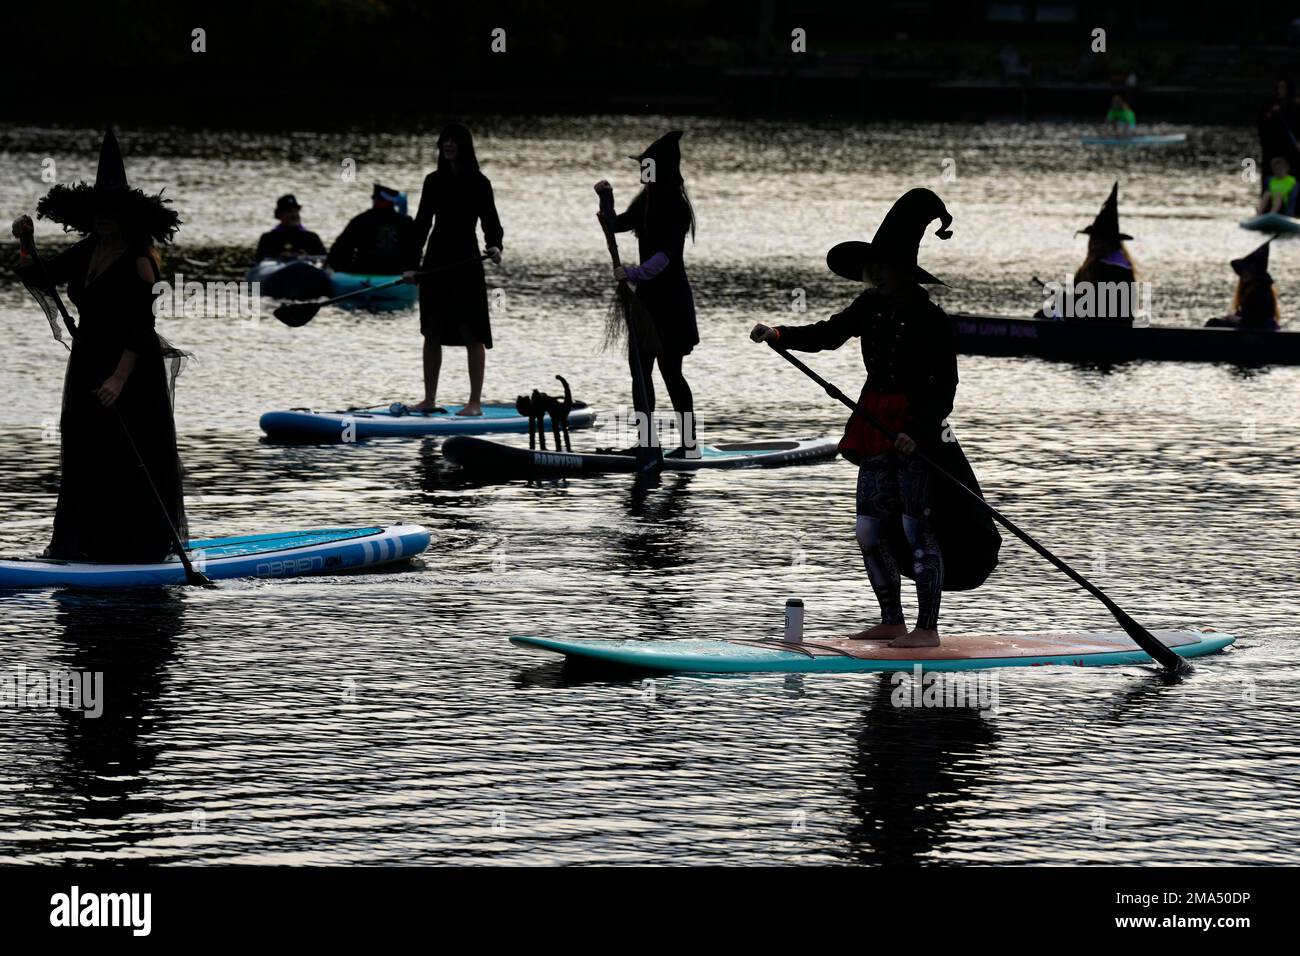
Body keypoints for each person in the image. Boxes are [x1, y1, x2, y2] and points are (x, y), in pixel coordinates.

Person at [749, 189, 1000, 649]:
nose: (874, 276)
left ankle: (927, 630)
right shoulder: (870, 307)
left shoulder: (930, 319)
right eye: (873, 268)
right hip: (873, 422)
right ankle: (892, 620)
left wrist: (916, 432)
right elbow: (827, 334)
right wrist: (779, 333)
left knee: (913, 527)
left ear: (905, 270)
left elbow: (944, 388)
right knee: (869, 526)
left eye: (883, 268)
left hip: (916, 432)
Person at [11, 128, 188, 562]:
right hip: (88, 362)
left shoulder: (140, 262)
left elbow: (141, 328)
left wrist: (118, 379)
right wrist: (24, 243)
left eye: (112, 212)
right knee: (88, 452)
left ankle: (136, 547)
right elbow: (39, 277)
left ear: (127, 217)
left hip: (129, 370)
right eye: (99, 212)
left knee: (129, 456)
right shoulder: (88, 250)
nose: (105, 218)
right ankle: (83, 544)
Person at [594, 130, 699, 457]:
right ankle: (647, 442)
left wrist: (633, 273)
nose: (642, 170)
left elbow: (666, 257)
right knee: (639, 371)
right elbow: (614, 225)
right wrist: (606, 198)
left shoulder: (676, 207)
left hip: (671, 302)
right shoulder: (646, 200)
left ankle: (689, 444)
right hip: (647, 302)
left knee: (671, 373)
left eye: (647, 164)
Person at [406, 124, 503, 416]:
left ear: (464, 146)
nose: (448, 145)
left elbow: (491, 221)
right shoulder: (433, 181)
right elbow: (421, 224)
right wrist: (412, 265)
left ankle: (474, 403)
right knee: (431, 329)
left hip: (467, 261)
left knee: (471, 331)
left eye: (453, 141)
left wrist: (495, 245)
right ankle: (429, 399)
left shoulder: (479, 183)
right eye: (444, 141)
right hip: (436, 261)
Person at [1068, 182, 1137, 325]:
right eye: (1093, 238)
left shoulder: (1111, 269)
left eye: (1097, 239)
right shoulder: (1119, 267)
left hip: (1105, 330)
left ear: (1107, 242)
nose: (1092, 243)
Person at [326, 183, 416, 276]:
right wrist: (412, 269)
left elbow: (342, 247)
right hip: (395, 271)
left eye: (378, 199)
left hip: (365, 270)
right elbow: (413, 249)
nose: (375, 201)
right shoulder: (405, 221)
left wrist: (338, 269)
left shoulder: (362, 220)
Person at [1206, 240, 1281, 331]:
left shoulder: (1260, 292)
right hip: (1257, 332)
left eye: (1246, 270)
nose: (1243, 273)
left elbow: (1253, 321)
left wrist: (1232, 319)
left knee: (1213, 323)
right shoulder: (1258, 289)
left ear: (1254, 273)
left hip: (1256, 334)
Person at [1256, 78, 1300, 194]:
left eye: (1283, 88)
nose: (1281, 90)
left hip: (1292, 149)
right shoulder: (1270, 105)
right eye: (1279, 87)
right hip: (1272, 148)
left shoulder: (1295, 105)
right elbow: (1262, 125)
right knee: (1271, 175)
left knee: (1292, 175)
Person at [254, 194, 326, 262]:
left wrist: (306, 257)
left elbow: (324, 259)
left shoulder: (311, 237)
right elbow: (261, 261)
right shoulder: (268, 238)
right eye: (289, 212)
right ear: (280, 215)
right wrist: (280, 257)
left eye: (296, 211)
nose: (294, 215)